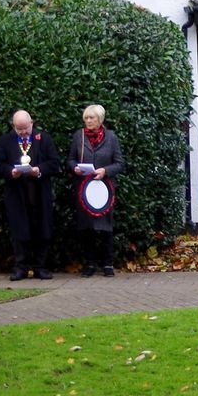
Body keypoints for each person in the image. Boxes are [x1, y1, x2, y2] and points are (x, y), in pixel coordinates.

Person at [0, 109, 59, 280]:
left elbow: (54, 163)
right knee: (19, 231)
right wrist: (11, 172)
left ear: (32, 123)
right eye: (19, 129)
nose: (23, 132)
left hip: (39, 192)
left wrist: (39, 170)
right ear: (13, 126)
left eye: (26, 128)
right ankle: (21, 267)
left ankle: (40, 267)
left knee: (42, 230)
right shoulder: (6, 140)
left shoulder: (44, 139)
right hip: (17, 193)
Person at [69, 103, 123, 277]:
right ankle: (90, 264)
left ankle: (107, 264)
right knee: (87, 228)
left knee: (105, 227)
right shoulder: (79, 136)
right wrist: (75, 168)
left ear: (100, 119)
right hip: (83, 188)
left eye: (91, 118)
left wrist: (105, 171)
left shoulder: (111, 137)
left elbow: (120, 163)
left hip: (103, 189)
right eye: (86, 118)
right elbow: (70, 160)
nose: (88, 121)